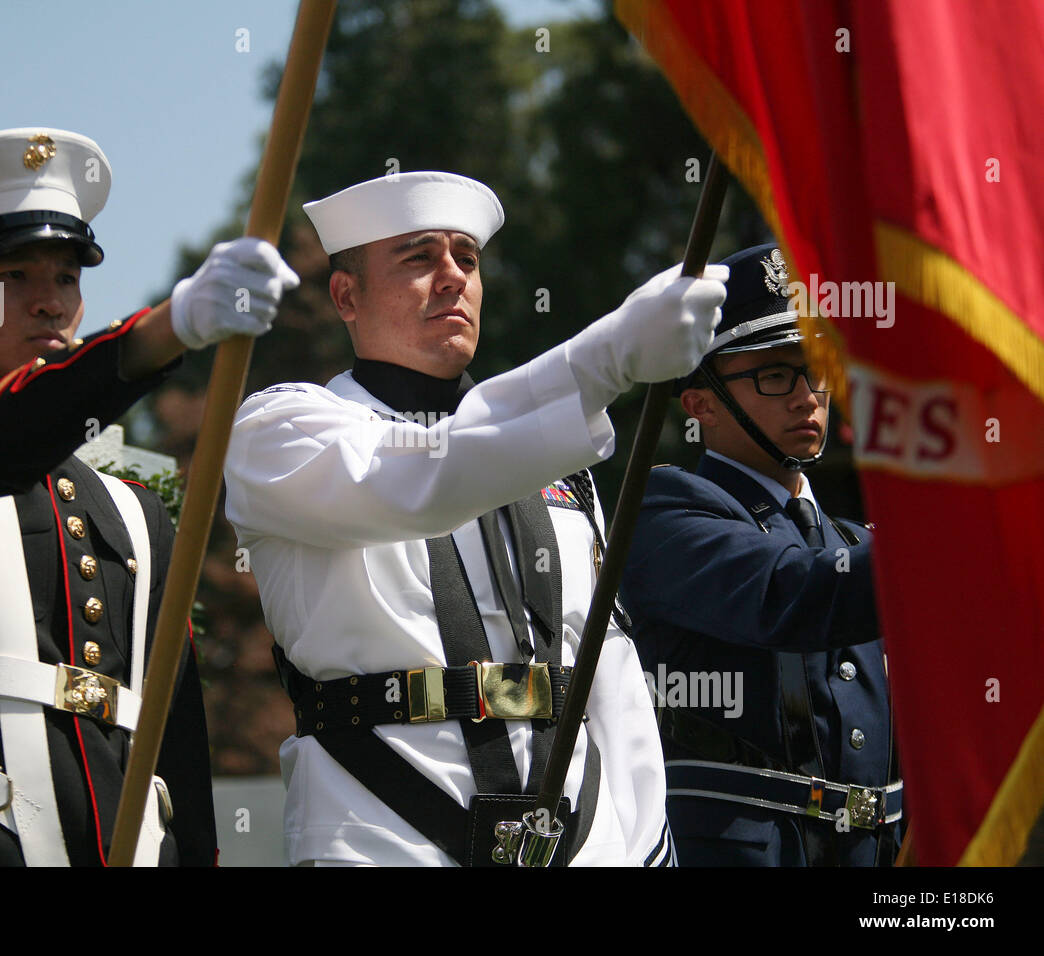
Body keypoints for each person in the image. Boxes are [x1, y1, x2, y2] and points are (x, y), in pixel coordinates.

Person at [223, 171, 728, 866]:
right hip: (382, 837)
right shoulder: (282, 429)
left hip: (583, 841)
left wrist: (640, 842)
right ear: (346, 295)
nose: (452, 276)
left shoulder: (554, 461)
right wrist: (605, 358)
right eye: (418, 257)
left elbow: (605, 667)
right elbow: (424, 476)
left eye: (467, 257)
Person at [0, 128, 299, 865]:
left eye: (67, 279)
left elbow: (174, 733)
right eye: (16, 277)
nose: (50, 304)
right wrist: (162, 331)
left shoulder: (135, 513)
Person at [620, 243, 903, 866]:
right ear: (700, 403)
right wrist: (947, 528)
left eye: (818, 369)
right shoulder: (665, 514)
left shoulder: (854, 542)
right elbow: (791, 595)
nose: (808, 396)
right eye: (775, 375)